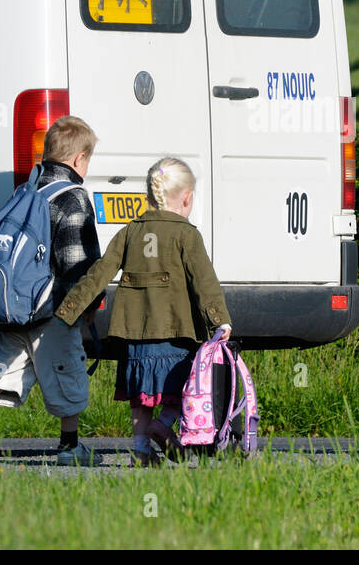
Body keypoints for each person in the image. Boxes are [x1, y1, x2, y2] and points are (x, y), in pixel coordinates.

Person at [0, 116, 104, 466]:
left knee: (1, 371)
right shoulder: (72, 197)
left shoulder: (26, 193)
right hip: (53, 313)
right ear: (79, 160)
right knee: (68, 373)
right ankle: (69, 446)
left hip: (14, 307)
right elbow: (77, 260)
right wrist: (87, 304)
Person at [55, 157, 231, 466]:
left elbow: (99, 272)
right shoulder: (187, 235)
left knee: (142, 394)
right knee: (180, 390)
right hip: (176, 333)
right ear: (187, 197)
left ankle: (141, 449)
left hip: (134, 333)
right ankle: (162, 425)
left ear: (149, 196)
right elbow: (205, 281)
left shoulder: (130, 232)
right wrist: (220, 321)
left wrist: (71, 309)